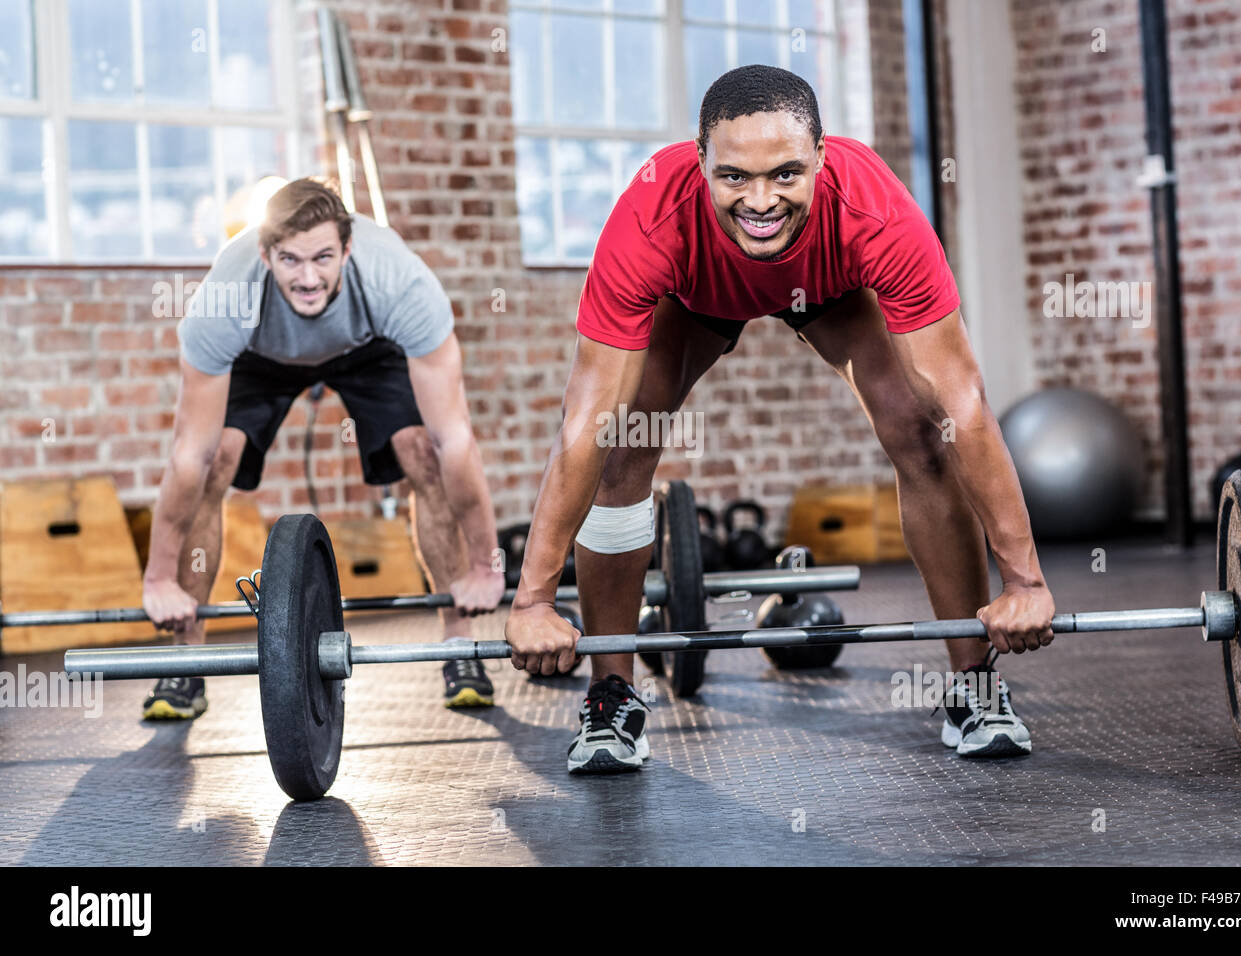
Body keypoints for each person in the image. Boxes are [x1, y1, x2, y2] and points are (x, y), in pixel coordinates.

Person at [504, 65, 1057, 774]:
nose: (760, 200)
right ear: (698, 161)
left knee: (922, 433)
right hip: (696, 295)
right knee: (620, 445)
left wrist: (1027, 584)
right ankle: (611, 694)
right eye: (733, 176)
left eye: (786, 174)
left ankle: (973, 681)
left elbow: (965, 404)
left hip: (828, 288)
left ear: (824, 158)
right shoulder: (650, 218)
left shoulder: (873, 210)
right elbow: (585, 421)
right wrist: (534, 600)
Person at [141, 178, 505, 718]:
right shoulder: (223, 302)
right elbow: (187, 455)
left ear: (348, 250)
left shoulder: (399, 285)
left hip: (366, 348)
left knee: (423, 452)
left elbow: (455, 439)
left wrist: (487, 563)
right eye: (290, 259)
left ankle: (458, 645)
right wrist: (159, 577)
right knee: (216, 461)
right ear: (264, 254)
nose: (308, 278)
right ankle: (185, 666)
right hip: (261, 356)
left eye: (322, 258)